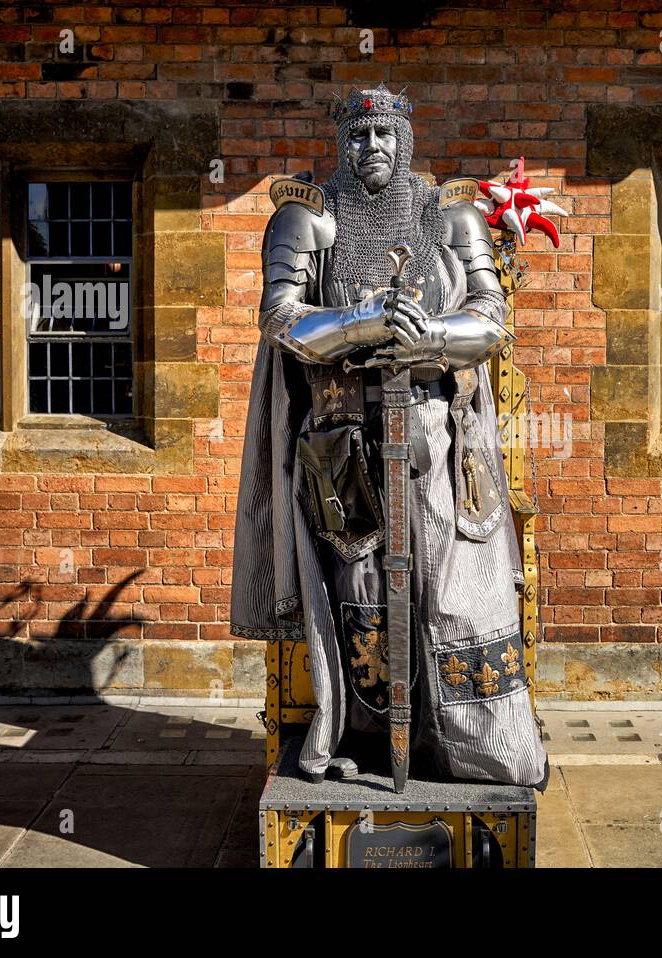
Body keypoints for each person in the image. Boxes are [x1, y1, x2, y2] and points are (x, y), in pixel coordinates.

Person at [230, 84, 549, 790]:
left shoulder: (453, 215)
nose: (371, 147)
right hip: (344, 442)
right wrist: (366, 321)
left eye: (383, 134)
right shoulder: (307, 219)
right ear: (340, 144)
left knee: (459, 594)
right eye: (358, 136)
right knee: (363, 595)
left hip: (443, 441)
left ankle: (470, 745)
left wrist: (432, 332)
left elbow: (492, 319)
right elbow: (280, 318)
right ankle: (370, 743)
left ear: (405, 139)